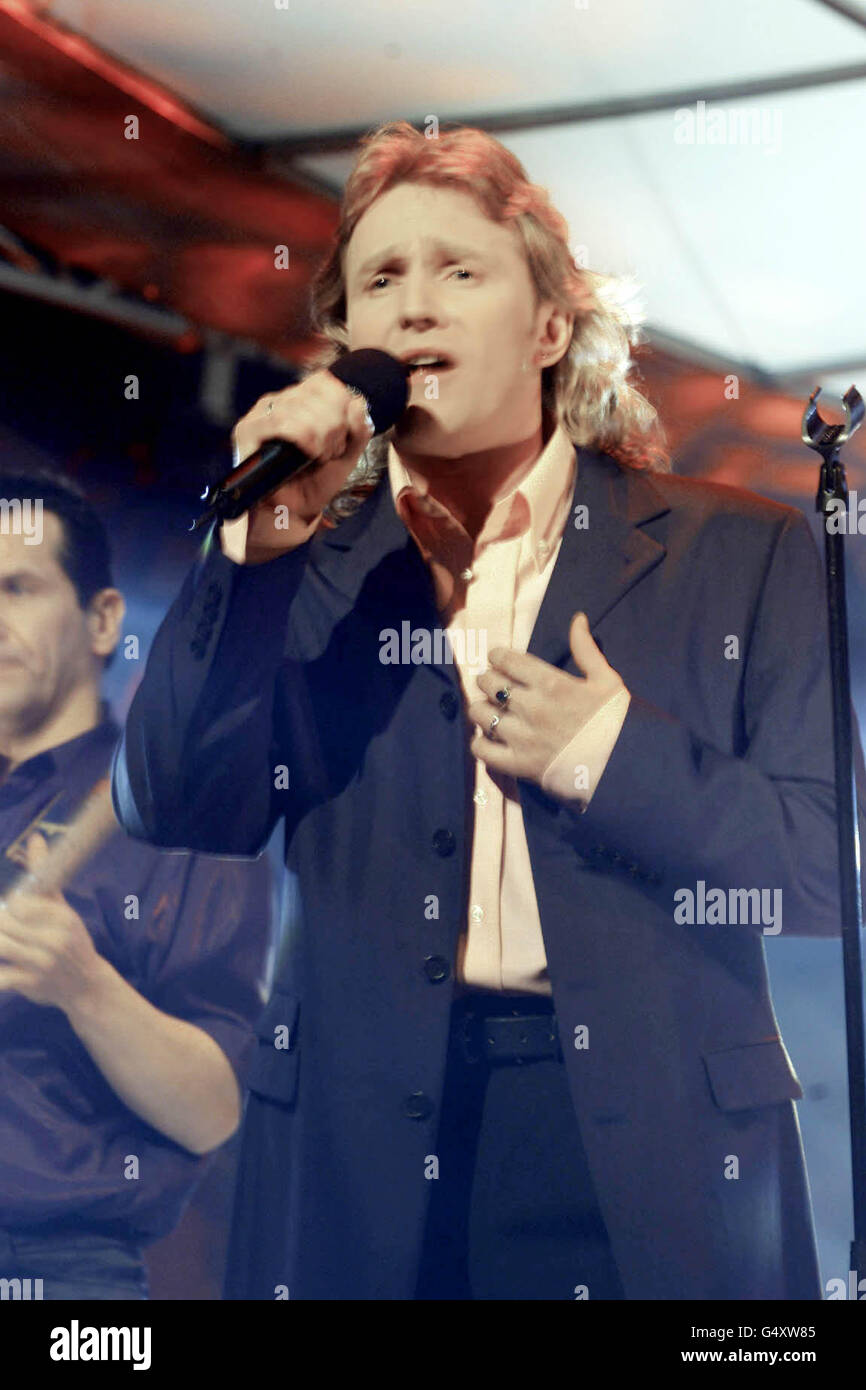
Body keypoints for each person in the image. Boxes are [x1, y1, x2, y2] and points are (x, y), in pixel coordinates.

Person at [111, 121, 866, 1301]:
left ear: (551, 325)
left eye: (458, 271)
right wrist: (248, 561)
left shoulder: (736, 551)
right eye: (380, 281)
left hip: (652, 1158)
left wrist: (610, 757)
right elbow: (173, 803)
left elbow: (829, 871)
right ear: (348, 340)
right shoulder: (303, 562)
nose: (414, 309)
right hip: (358, 1154)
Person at [0, 465, 271, 1300]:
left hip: (59, 1274)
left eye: (17, 587)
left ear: (102, 619)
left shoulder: (182, 822)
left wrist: (85, 988)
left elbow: (213, 1112)